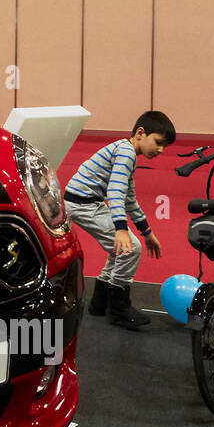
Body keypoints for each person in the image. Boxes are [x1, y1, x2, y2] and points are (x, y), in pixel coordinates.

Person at [63, 110, 175, 329]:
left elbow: (129, 199)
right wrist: (120, 229)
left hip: (85, 202)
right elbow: (115, 191)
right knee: (130, 248)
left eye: (164, 146)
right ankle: (118, 309)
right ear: (141, 133)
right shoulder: (126, 153)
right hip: (82, 204)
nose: (161, 150)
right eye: (158, 142)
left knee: (121, 248)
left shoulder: (125, 151)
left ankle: (100, 303)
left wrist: (148, 233)